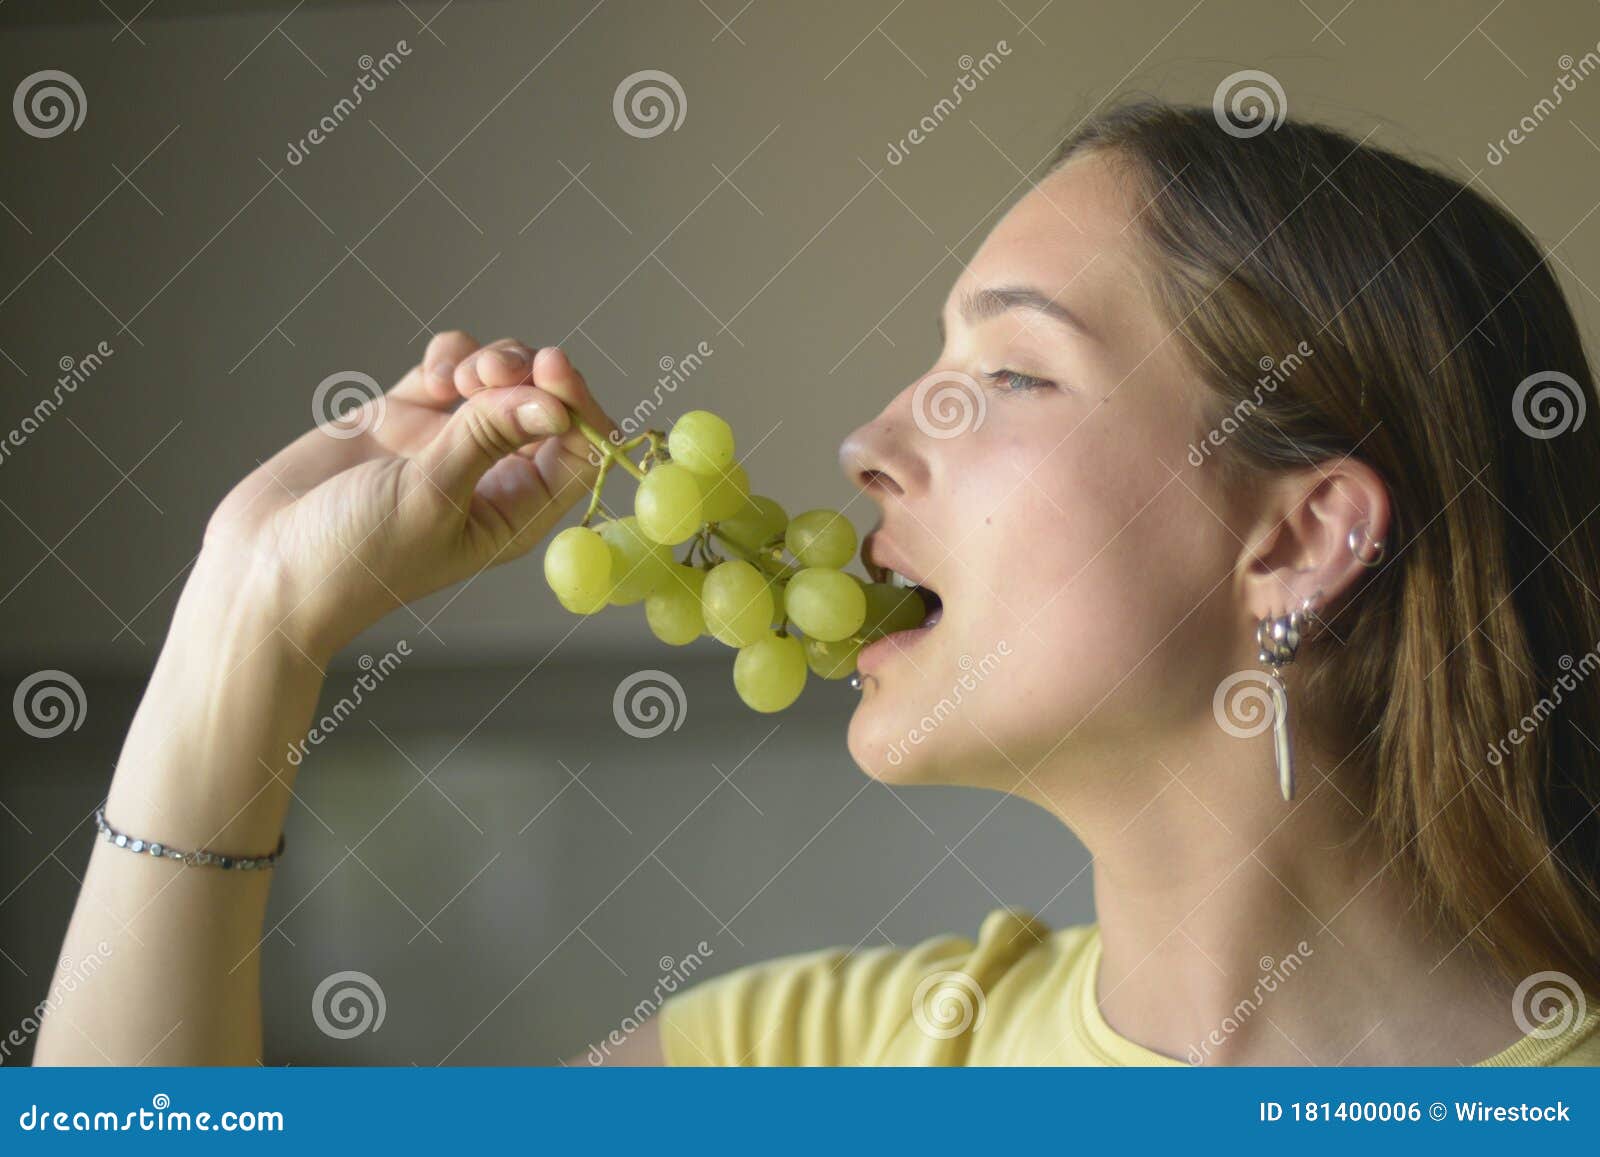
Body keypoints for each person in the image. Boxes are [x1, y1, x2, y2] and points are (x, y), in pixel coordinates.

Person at [34, 100, 1600, 1067]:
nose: (863, 443)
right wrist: (249, 620)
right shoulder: (811, 1062)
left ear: (1299, 536)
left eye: (1009, 371)